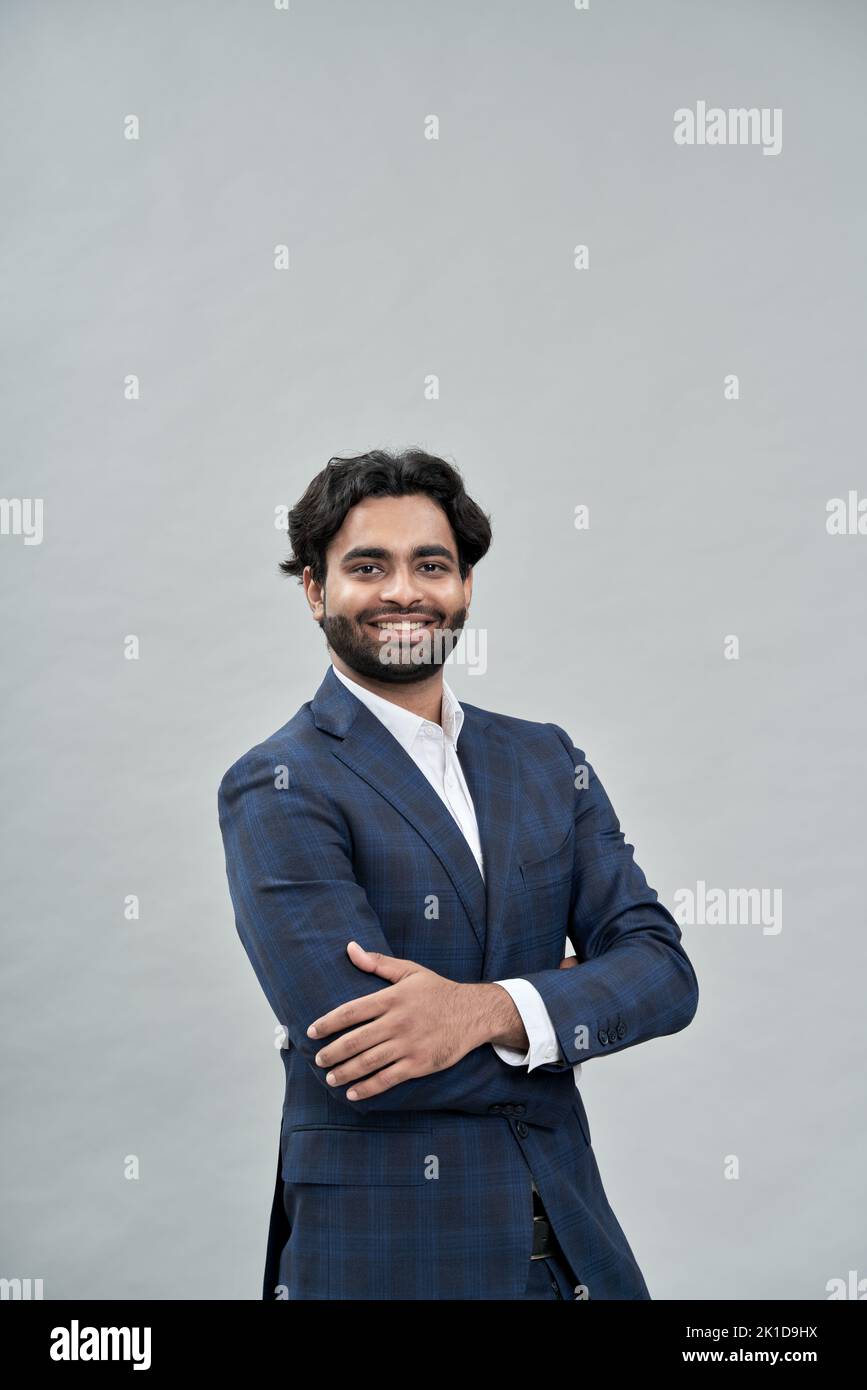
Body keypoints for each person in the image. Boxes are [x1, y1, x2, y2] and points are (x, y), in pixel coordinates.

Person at [217, 447, 699, 1300]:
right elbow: (361, 1049)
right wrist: (559, 1005)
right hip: (387, 1261)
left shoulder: (545, 759)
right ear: (314, 590)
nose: (404, 591)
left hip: (575, 1255)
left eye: (429, 564)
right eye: (368, 566)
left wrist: (482, 1009)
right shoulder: (279, 782)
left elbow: (662, 974)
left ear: (465, 587)